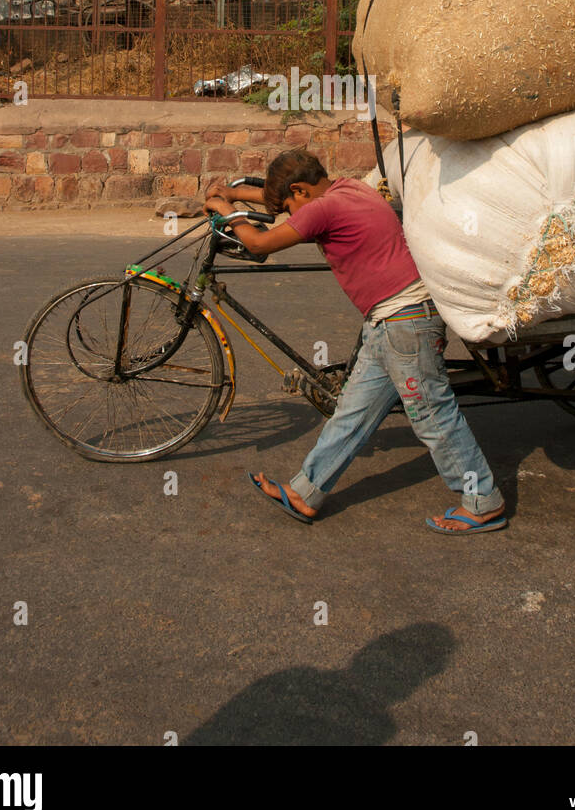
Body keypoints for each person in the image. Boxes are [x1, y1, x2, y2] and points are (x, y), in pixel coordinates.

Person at [204, 148, 506, 536]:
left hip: (405, 322)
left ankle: (483, 502)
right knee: (351, 412)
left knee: (433, 416)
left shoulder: (321, 209)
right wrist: (235, 195)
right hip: (390, 322)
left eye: (289, 206)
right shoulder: (350, 189)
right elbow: (282, 200)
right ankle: (305, 492)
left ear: (301, 190)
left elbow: (259, 245)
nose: (290, 215)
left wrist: (223, 210)